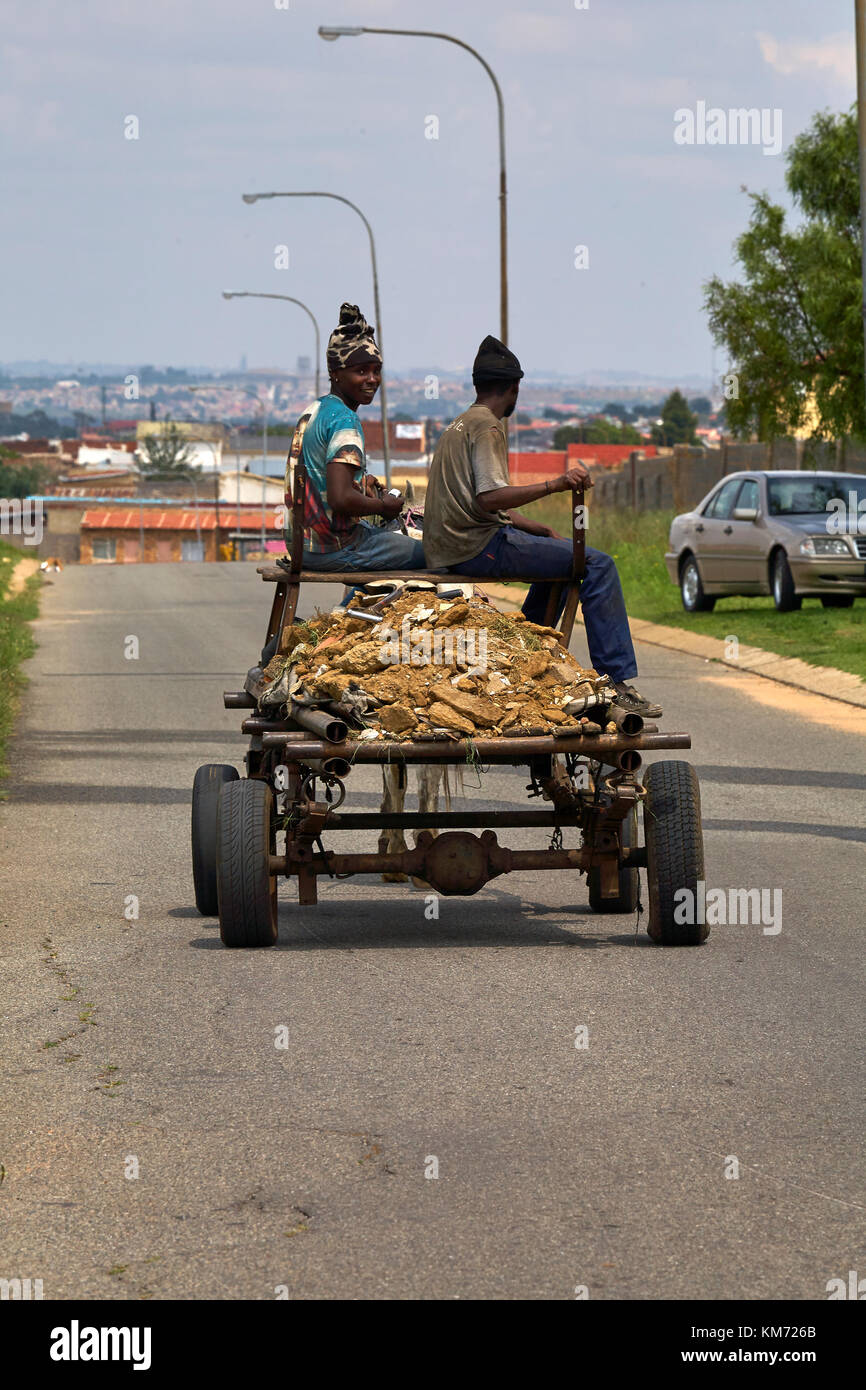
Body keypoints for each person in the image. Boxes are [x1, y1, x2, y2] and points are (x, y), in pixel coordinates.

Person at [422, 335, 662, 717]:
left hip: (455, 545)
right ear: (514, 388)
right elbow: (489, 499)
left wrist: (537, 529)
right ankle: (615, 680)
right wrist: (557, 484)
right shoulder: (487, 427)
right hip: (477, 548)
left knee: (557, 561)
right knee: (599, 565)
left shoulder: (459, 423)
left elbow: (479, 501)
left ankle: (528, 655)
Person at [285, 302, 425, 572]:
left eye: (376, 371)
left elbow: (320, 481)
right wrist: (383, 507)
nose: (372, 379)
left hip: (302, 544)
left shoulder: (315, 410)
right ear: (336, 374)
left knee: (396, 542)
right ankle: (354, 609)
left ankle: (354, 607)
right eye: (361, 371)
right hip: (333, 547)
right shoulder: (345, 421)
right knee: (435, 553)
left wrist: (362, 484)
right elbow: (339, 499)